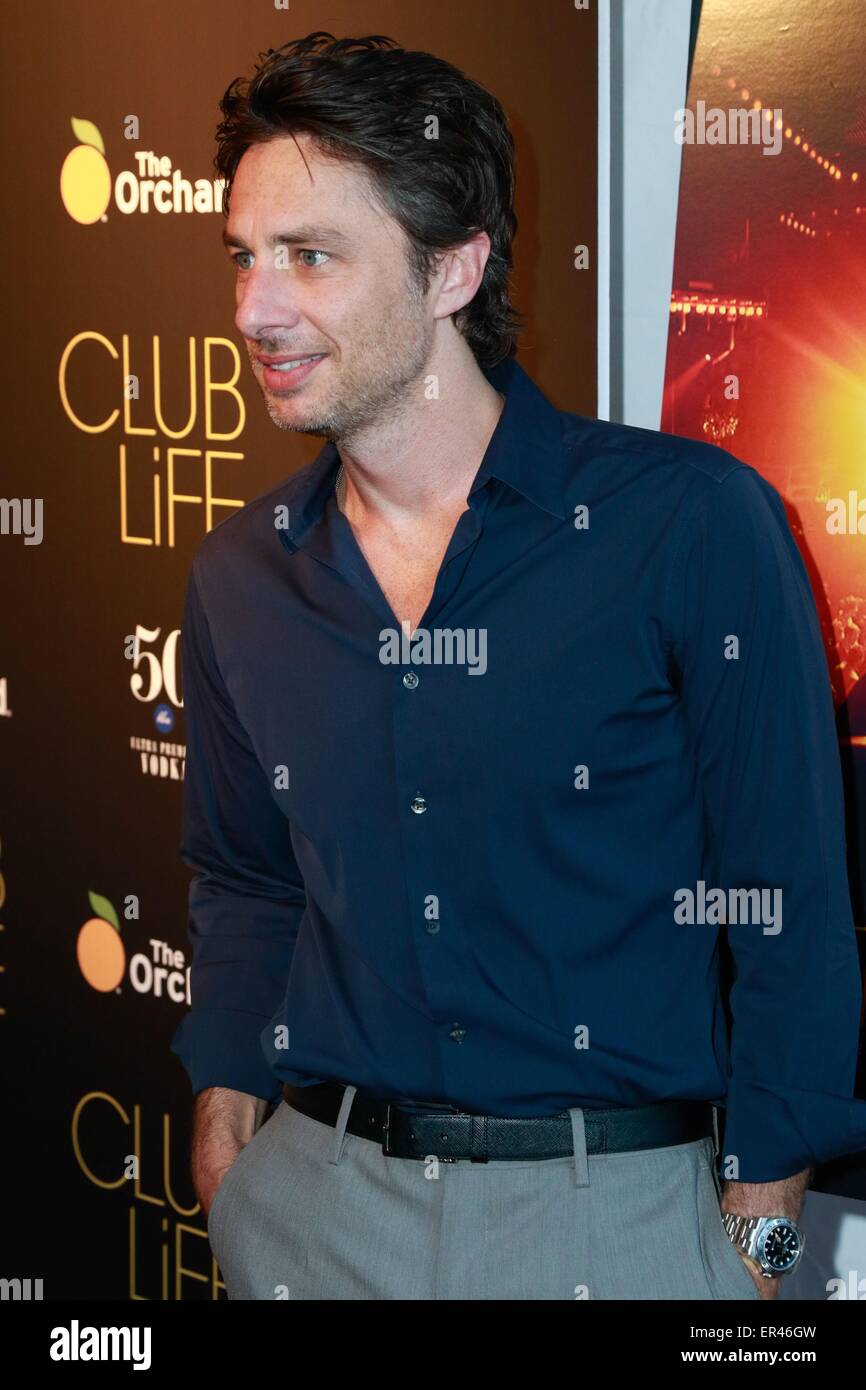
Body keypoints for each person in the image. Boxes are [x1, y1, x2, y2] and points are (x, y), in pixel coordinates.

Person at [170, 31, 866, 1300]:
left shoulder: (687, 528)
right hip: (313, 1216)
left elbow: (787, 902)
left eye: (309, 256)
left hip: (621, 1228)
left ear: (453, 268)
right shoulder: (241, 576)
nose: (253, 309)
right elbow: (243, 878)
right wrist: (226, 1117)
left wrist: (755, 1255)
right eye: (244, 256)